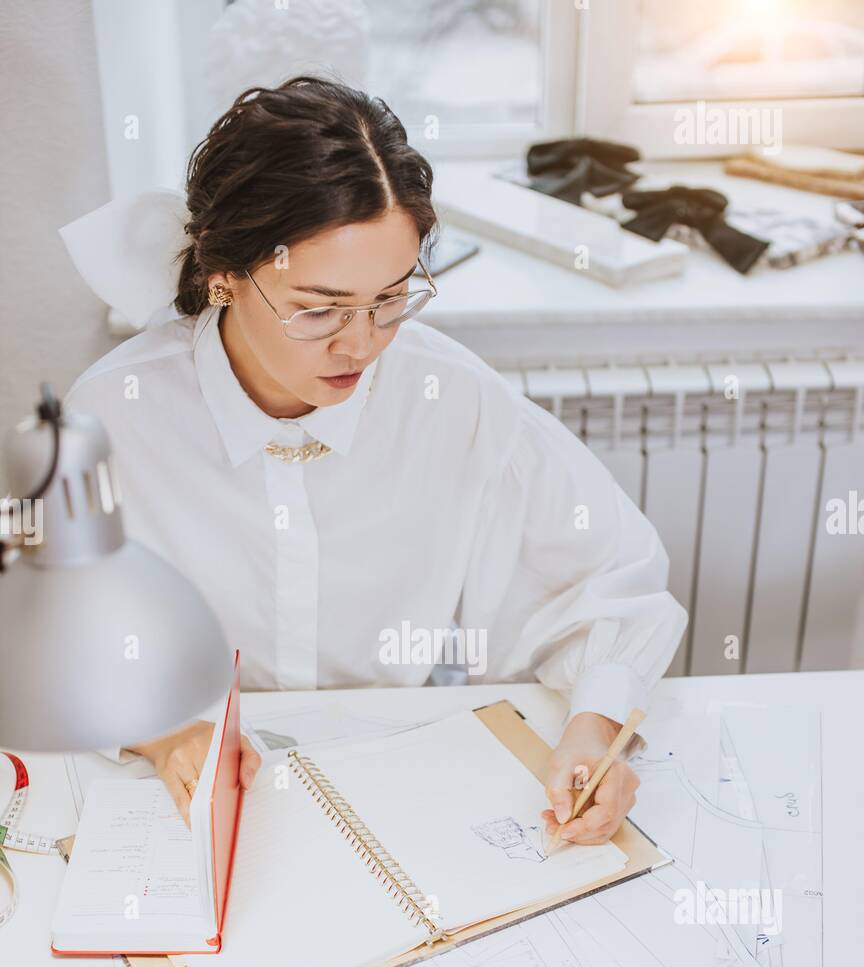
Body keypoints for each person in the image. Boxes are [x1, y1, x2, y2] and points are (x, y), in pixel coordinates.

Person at [63, 76, 687, 846]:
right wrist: (162, 731)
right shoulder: (114, 415)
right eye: (319, 308)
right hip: (202, 808)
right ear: (223, 275)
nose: (360, 344)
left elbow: (600, 580)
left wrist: (595, 731)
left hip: (412, 782)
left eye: (390, 299)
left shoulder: (452, 398)